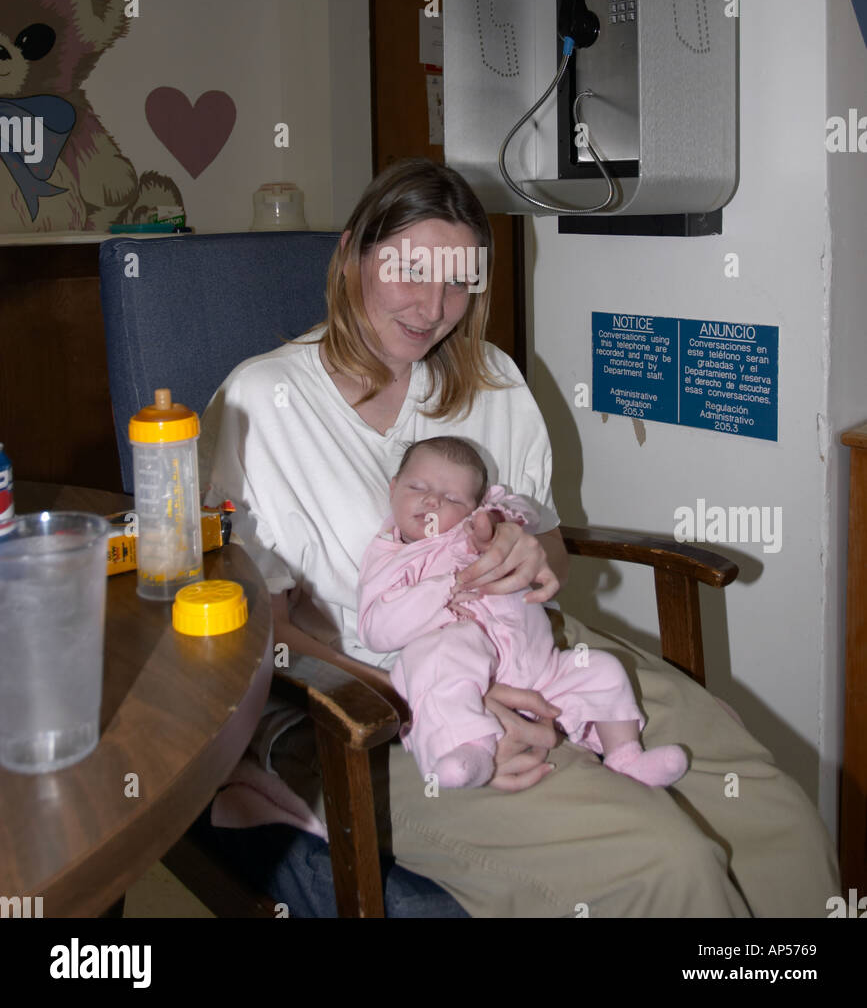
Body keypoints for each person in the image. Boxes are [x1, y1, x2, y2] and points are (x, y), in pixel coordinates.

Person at [198, 156, 840, 918]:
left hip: (539, 651)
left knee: (774, 815)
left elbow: (552, 549)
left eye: (457, 278)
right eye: (408, 268)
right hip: (368, 703)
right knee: (670, 866)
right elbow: (250, 624)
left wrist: (532, 556)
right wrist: (423, 700)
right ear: (349, 258)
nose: (431, 306)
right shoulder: (263, 403)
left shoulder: (491, 382)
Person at [358, 435, 688, 790]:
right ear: (392, 489)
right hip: (467, 678)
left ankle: (626, 756)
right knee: (436, 660)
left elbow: (525, 517)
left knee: (603, 670)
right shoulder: (393, 558)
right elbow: (376, 630)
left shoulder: (479, 532)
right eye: (417, 486)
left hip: (541, 670)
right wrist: (443, 588)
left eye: (452, 498)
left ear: (473, 506)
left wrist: (499, 521)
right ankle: (468, 749)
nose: (433, 500)